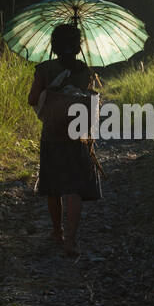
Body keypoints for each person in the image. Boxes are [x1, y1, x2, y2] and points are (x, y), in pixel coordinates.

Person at [27, 24, 102, 257]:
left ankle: (57, 232)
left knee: (53, 186)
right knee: (73, 189)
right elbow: (91, 100)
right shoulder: (85, 70)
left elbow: (31, 99)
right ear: (79, 46)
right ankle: (71, 240)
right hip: (78, 135)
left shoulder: (44, 69)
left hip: (52, 134)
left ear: (54, 45)